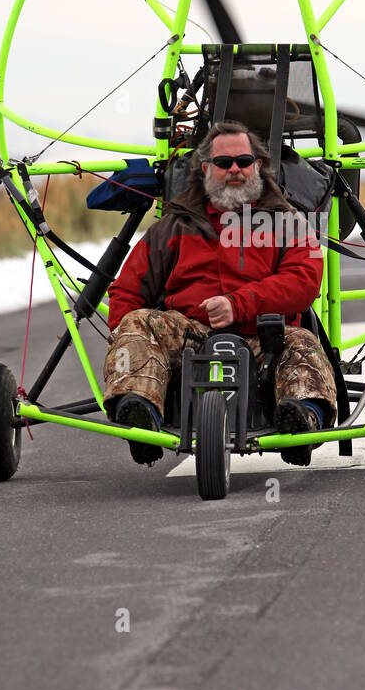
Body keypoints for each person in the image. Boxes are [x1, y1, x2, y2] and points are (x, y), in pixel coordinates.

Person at [103, 121, 337, 466]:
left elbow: (304, 282)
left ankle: (302, 420)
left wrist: (238, 305)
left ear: (258, 166)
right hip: (187, 337)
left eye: (244, 161)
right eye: (224, 163)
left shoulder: (288, 223)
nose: (235, 170)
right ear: (205, 170)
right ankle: (141, 419)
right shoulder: (173, 225)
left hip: (263, 338)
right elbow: (128, 289)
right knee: (136, 321)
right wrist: (124, 337)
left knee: (301, 341)